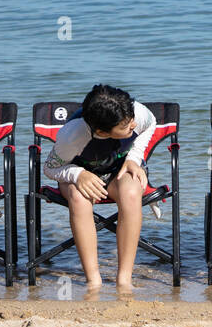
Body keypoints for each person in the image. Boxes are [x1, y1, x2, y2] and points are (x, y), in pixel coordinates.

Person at [42, 84, 157, 290]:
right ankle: (93, 279)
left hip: (118, 170)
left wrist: (134, 157)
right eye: (125, 126)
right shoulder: (73, 134)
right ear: (102, 131)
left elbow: (151, 124)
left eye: (132, 120)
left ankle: (124, 279)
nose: (132, 125)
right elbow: (51, 168)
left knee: (131, 193)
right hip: (77, 173)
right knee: (79, 198)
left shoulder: (134, 114)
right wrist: (78, 174)